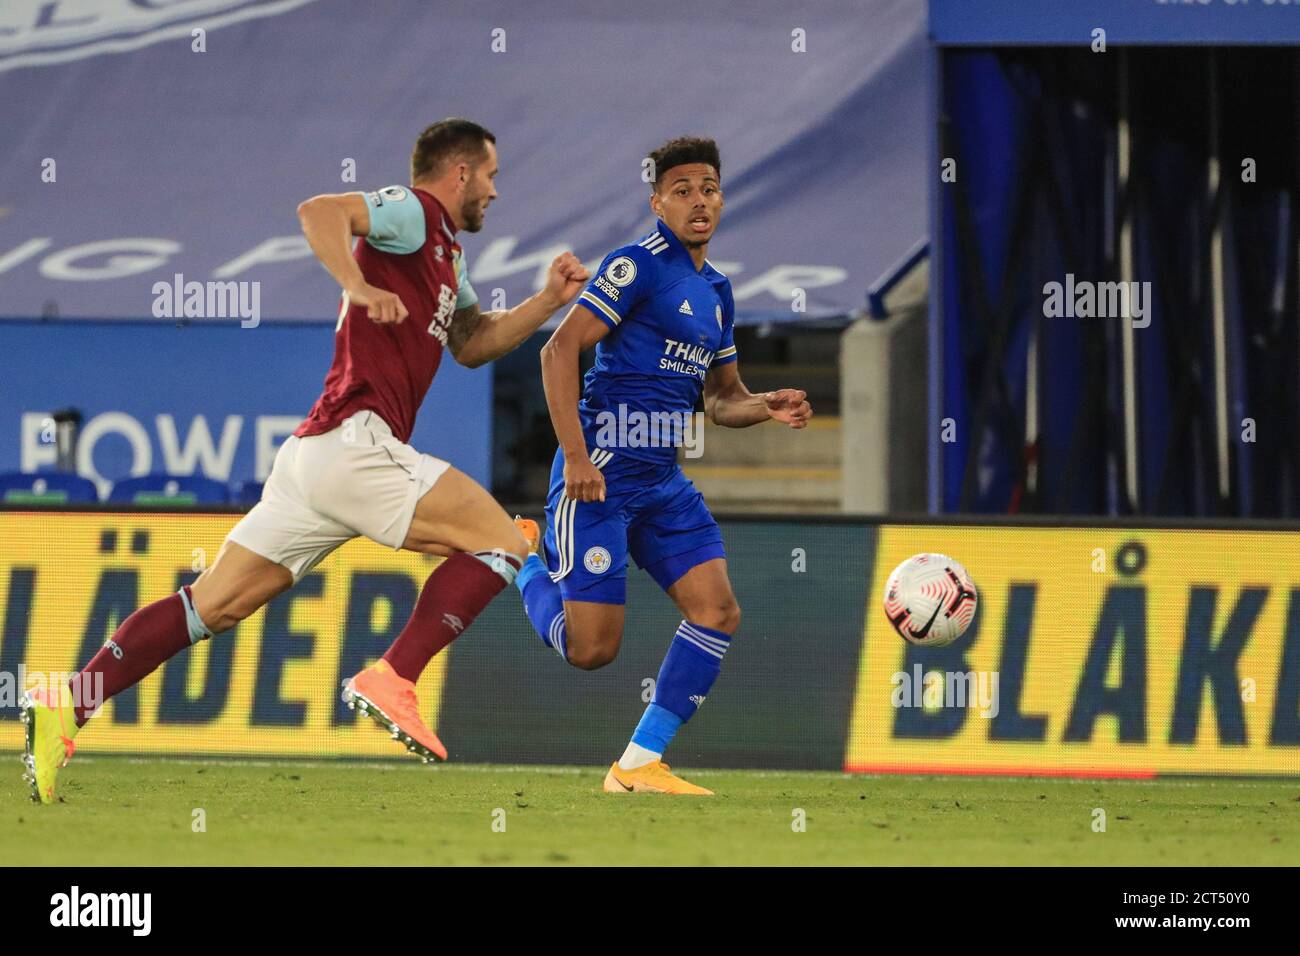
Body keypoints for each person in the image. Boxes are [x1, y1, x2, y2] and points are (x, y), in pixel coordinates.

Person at [21, 118, 589, 804]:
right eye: (492, 175)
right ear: (460, 172)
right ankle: (394, 677)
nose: (496, 192)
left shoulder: (448, 256)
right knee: (503, 542)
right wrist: (354, 283)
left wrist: (546, 303)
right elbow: (319, 211)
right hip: (356, 444)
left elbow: (471, 343)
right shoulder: (412, 213)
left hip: (315, 459)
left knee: (210, 608)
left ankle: (70, 704)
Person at [513, 137, 812, 795]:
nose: (699, 200)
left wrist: (765, 404)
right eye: (683, 190)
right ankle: (520, 560)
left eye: (709, 187)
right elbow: (557, 352)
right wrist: (576, 456)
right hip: (601, 476)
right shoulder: (637, 265)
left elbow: (721, 398)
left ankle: (638, 764)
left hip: (662, 481)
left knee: (718, 611)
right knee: (592, 650)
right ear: (658, 203)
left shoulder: (716, 291)